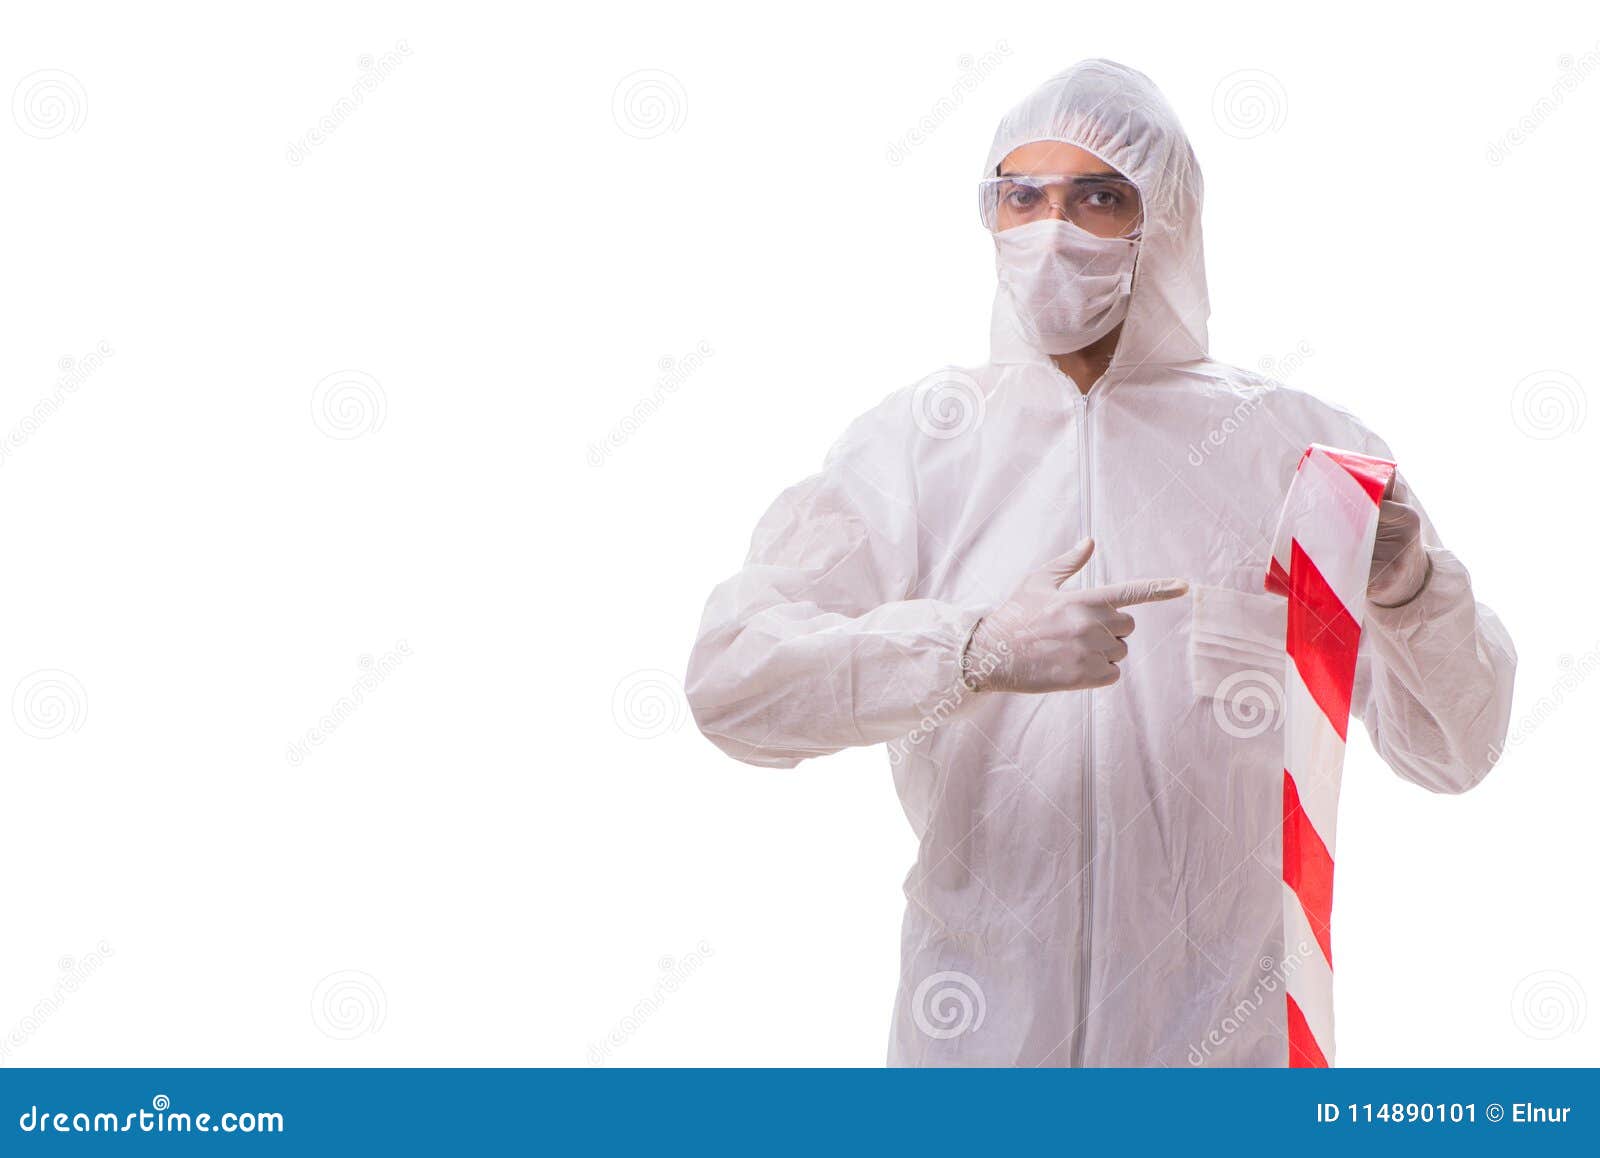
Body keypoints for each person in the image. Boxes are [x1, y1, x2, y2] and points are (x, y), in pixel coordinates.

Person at [684, 59, 1516, 1066]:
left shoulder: (1296, 451)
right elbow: (731, 683)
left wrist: (1406, 588)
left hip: (1221, 1058)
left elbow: (1451, 750)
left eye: (1097, 198)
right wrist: (969, 648)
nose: (1050, 231)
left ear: (1164, 217)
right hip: (979, 1052)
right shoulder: (920, 446)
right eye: (1021, 197)